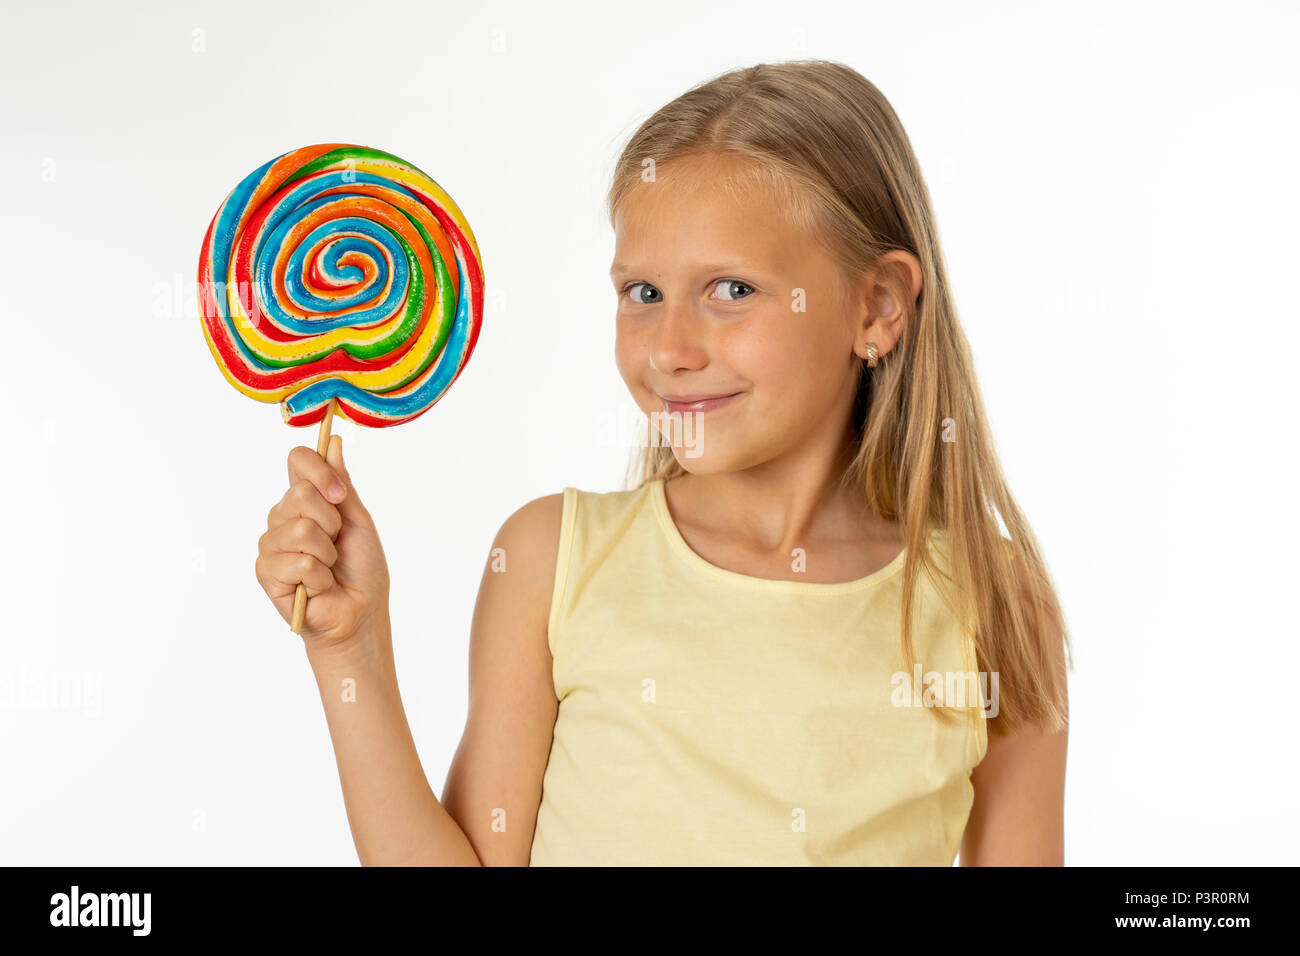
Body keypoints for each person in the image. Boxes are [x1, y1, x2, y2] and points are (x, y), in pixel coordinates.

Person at [255, 59, 1071, 866]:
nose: (671, 350)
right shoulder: (552, 560)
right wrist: (350, 650)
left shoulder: (991, 602)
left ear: (877, 307)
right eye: (642, 293)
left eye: (731, 290)